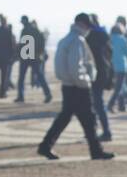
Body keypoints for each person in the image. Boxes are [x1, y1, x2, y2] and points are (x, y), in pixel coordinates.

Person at [37, 12, 114, 160]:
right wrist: (85, 81)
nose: (89, 29)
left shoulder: (66, 40)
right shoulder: (77, 41)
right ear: (82, 24)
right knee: (88, 120)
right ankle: (95, 150)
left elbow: (62, 66)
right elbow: (76, 67)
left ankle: (46, 146)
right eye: (88, 26)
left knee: (68, 118)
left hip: (68, 85)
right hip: (78, 87)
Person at [86, 15, 113, 140]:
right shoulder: (104, 35)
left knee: (96, 103)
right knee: (96, 103)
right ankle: (100, 130)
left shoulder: (90, 37)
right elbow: (109, 54)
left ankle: (103, 131)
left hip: (95, 73)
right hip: (104, 72)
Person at [15, 16, 51, 102]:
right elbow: (42, 42)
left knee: (22, 78)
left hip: (27, 57)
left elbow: (22, 45)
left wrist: (19, 54)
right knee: (40, 76)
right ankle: (48, 93)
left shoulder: (25, 30)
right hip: (34, 57)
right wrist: (40, 53)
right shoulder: (35, 30)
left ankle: (21, 96)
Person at [107, 23, 127, 113]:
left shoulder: (109, 39)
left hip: (112, 66)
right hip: (122, 66)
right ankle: (111, 104)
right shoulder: (122, 39)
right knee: (120, 87)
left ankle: (121, 106)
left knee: (120, 87)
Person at [0, 14, 16, 98]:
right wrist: (12, 55)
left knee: (3, 75)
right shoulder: (7, 31)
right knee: (4, 76)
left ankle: (2, 92)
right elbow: (12, 45)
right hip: (5, 57)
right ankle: (2, 93)